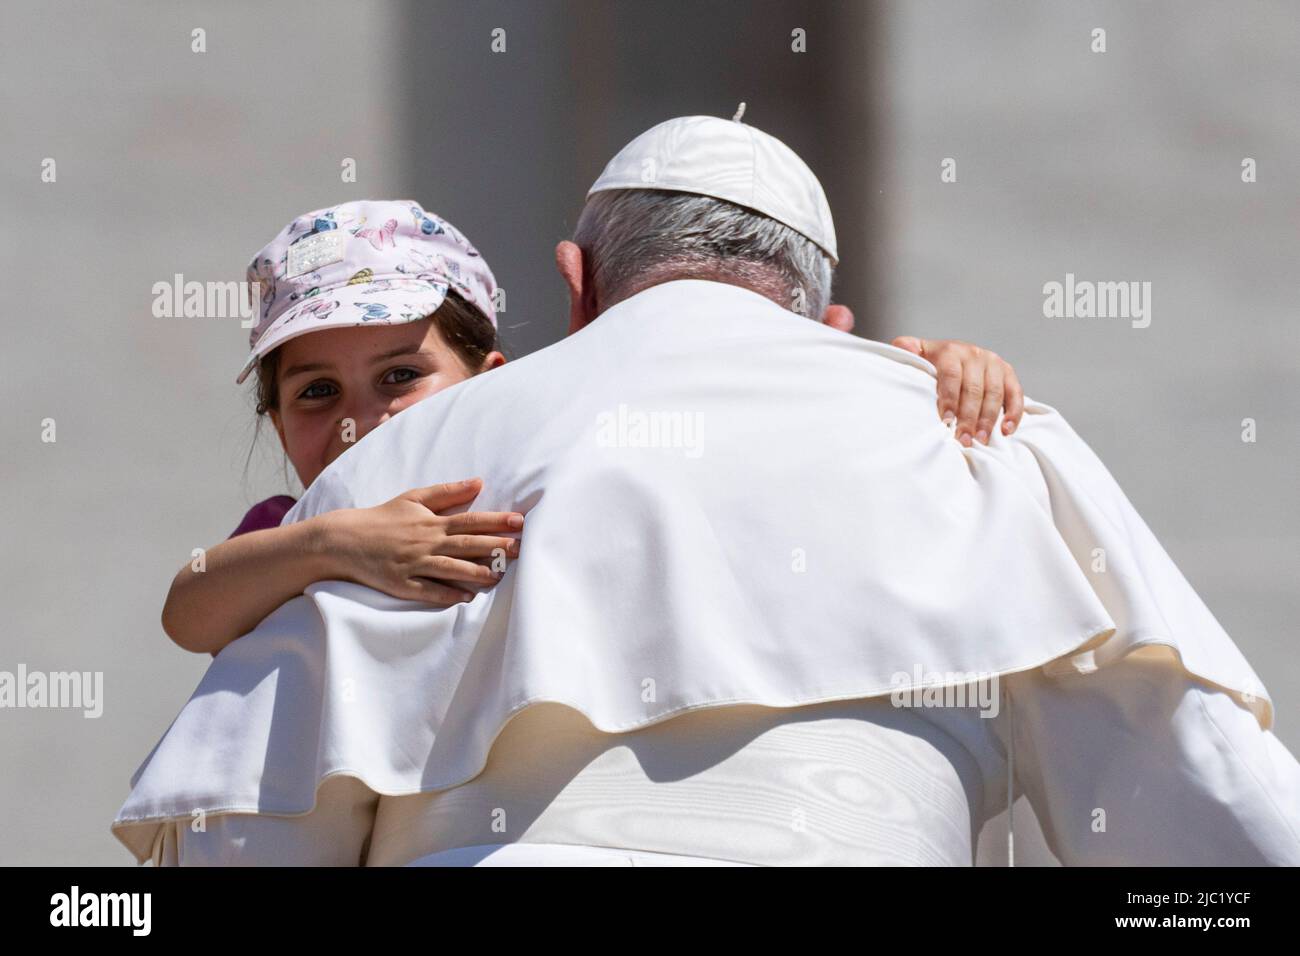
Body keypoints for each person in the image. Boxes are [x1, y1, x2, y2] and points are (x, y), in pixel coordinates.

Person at [113, 116, 1300, 866]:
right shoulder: (975, 432)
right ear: (827, 318)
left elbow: (254, 809)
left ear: (573, 288)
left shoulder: (399, 478)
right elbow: (1182, 756)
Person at [159, 198, 1024, 660]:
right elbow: (188, 609)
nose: (360, 417)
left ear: (491, 386)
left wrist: (918, 373)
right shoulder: (294, 528)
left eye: (400, 375)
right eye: (314, 392)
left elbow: (733, 426)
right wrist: (332, 544)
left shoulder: (545, 466)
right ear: (273, 421)